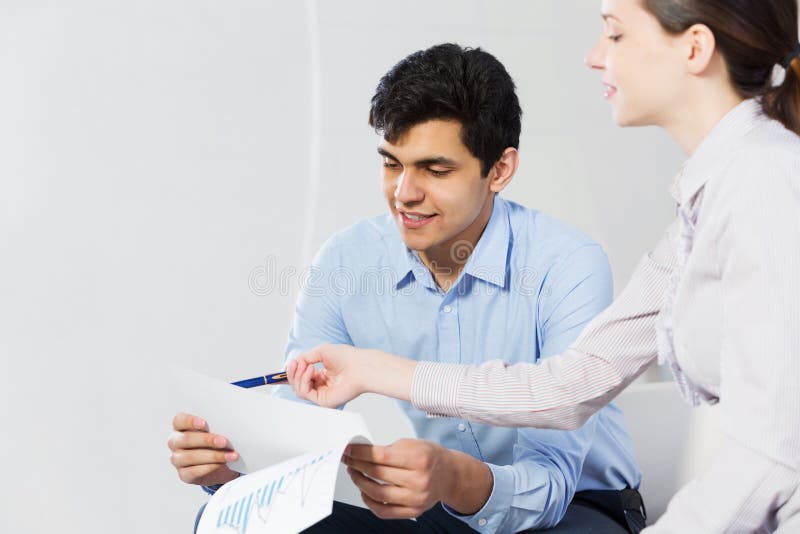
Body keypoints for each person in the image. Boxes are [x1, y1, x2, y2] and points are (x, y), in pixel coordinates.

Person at [287, 0, 800, 531]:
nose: (595, 57)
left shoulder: (767, 182)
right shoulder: (712, 194)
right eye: (391, 163)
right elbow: (570, 385)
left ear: (694, 47)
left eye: (615, 35)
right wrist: (374, 370)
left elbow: (772, 455)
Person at [168, 43, 649, 533]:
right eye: (392, 164)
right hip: (440, 502)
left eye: (436, 170)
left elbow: (549, 485)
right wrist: (232, 464)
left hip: (576, 506)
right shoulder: (347, 259)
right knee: (239, 518)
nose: (405, 194)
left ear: (500, 170)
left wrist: (452, 478)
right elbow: (300, 422)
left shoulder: (566, 264)